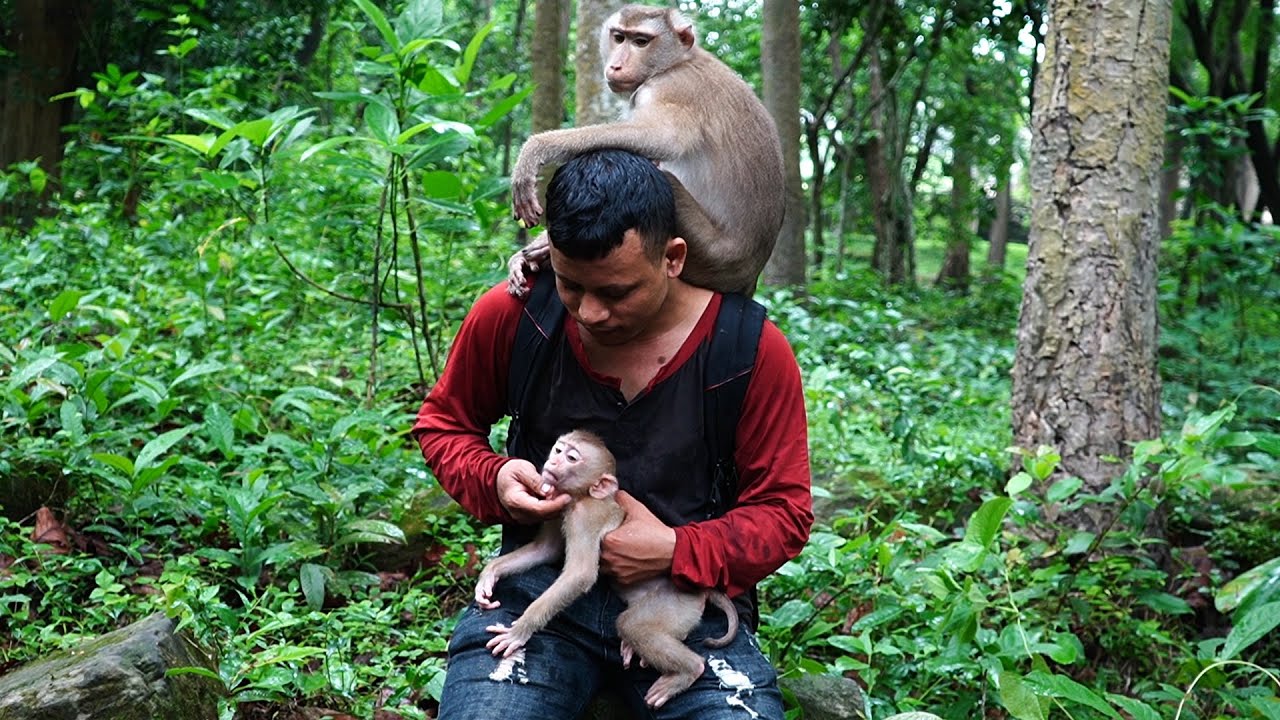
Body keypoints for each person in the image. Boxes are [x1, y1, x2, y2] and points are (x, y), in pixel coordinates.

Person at [412, 148, 812, 720]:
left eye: (617, 292)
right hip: (539, 593)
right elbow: (444, 424)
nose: (590, 312)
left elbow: (784, 512)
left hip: (680, 606)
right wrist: (495, 476)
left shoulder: (746, 350)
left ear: (673, 258)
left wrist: (678, 549)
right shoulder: (517, 311)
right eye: (573, 285)